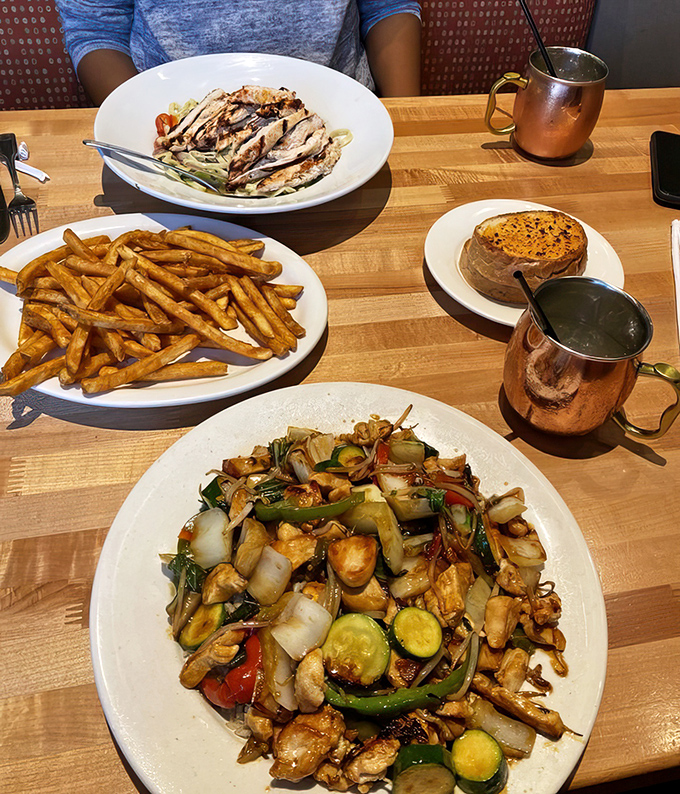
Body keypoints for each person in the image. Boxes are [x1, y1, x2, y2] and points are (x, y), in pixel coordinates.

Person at [56, 0, 422, 105]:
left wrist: (406, 124)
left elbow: (388, 6)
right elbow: (96, 27)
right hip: (172, 121)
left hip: (343, 111)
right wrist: (148, 131)